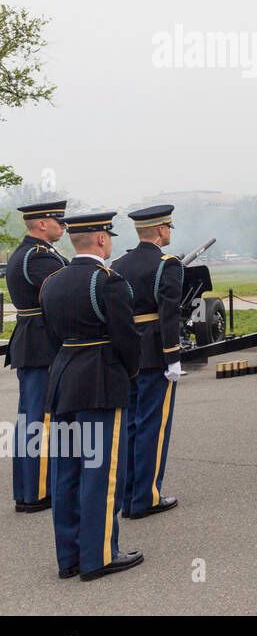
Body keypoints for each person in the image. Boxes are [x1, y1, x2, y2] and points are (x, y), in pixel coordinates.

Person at [39, 212, 143, 581]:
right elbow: (127, 339)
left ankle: (68, 557)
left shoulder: (52, 282)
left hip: (63, 378)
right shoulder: (107, 282)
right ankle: (98, 556)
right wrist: (128, 375)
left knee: (66, 473)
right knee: (100, 472)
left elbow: (52, 336)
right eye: (109, 236)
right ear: (101, 239)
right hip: (99, 381)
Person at [111, 205, 183, 519]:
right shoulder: (168, 264)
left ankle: (127, 495)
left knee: (130, 425)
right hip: (155, 353)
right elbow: (169, 313)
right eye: (169, 227)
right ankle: (145, 498)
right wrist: (173, 356)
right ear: (161, 230)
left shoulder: (116, 264)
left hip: (126, 354)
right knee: (153, 426)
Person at [4, 201, 68, 513]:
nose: (64, 226)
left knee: (32, 417)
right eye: (59, 220)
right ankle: (37, 491)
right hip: (41, 341)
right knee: (39, 419)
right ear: (42, 223)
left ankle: (30, 489)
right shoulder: (38, 256)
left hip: (35, 339)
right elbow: (65, 292)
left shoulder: (32, 252)